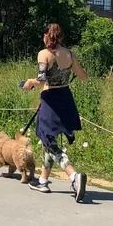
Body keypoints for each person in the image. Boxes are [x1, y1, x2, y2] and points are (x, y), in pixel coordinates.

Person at [21, 23, 88, 202]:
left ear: (46, 36)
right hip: (66, 99)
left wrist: (30, 82)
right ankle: (43, 181)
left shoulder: (44, 54)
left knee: (47, 139)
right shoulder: (70, 54)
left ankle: (73, 176)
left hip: (50, 101)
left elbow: (42, 79)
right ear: (61, 37)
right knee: (48, 140)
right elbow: (83, 77)